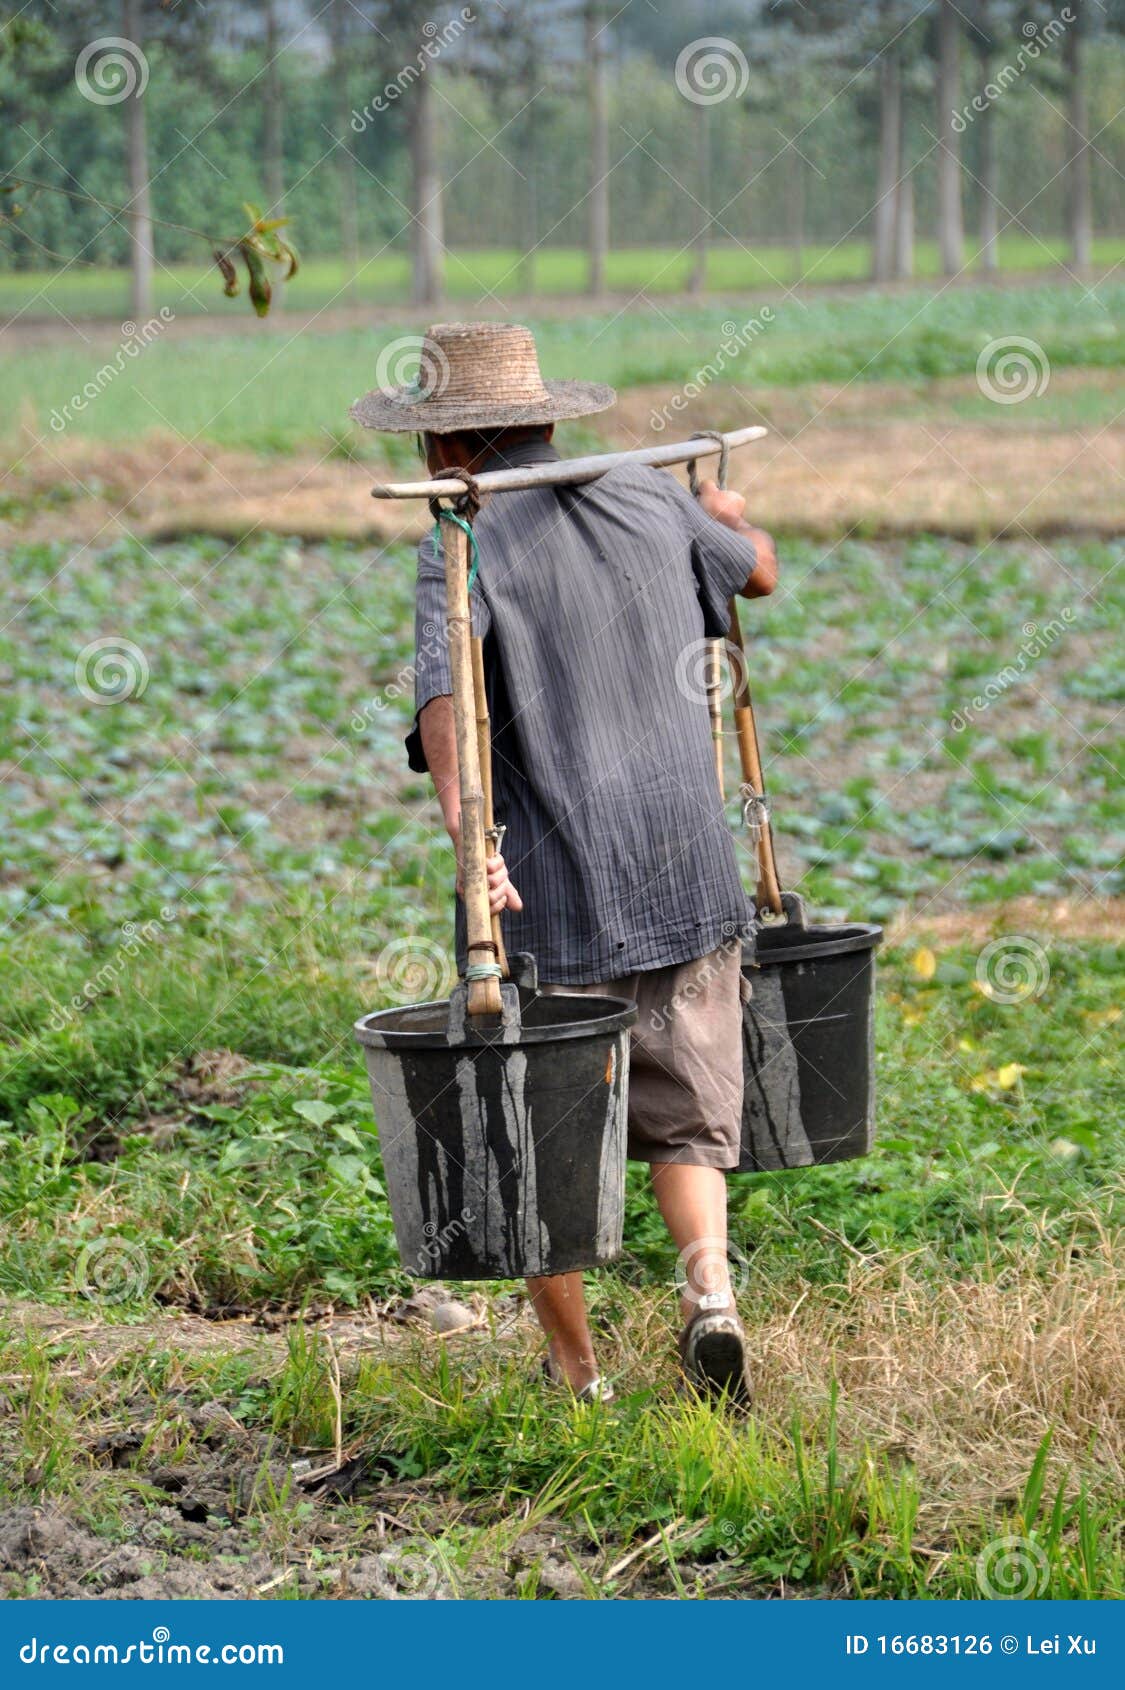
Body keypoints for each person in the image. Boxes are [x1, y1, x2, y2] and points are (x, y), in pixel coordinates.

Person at [351, 322, 777, 1404]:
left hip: (550, 889)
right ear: (544, 415)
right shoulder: (647, 489)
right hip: (684, 864)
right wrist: (723, 517)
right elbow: (758, 571)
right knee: (688, 1112)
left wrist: (469, 836)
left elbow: (446, 689)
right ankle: (710, 1300)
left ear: (447, 448)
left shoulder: (465, 533)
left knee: (537, 1126)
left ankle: (577, 1371)